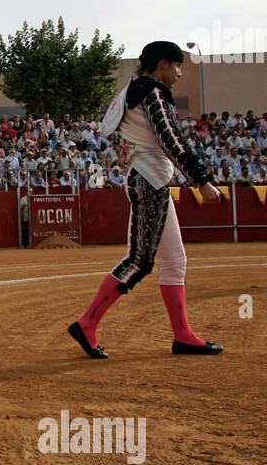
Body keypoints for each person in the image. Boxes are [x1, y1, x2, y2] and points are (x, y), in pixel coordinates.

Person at [68, 41, 223, 358]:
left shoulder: (130, 93)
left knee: (174, 261)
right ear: (163, 63)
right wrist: (202, 180)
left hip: (150, 178)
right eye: (178, 66)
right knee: (139, 259)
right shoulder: (153, 91)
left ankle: (183, 335)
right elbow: (171, 138)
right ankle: (87, 322)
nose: (179, 73)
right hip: (150, 179)